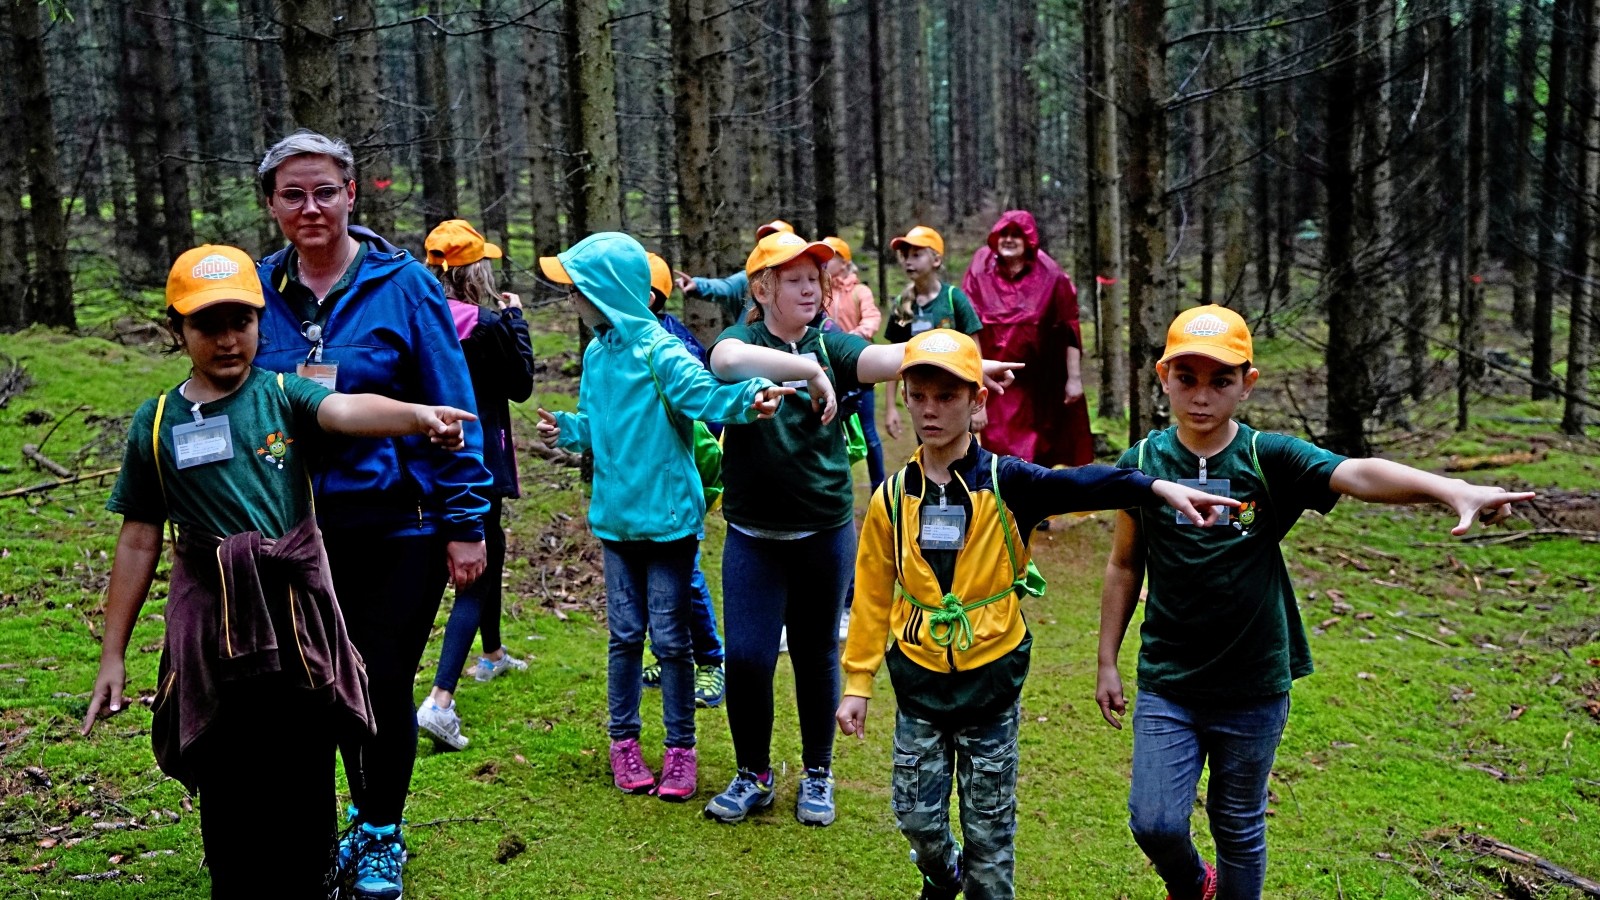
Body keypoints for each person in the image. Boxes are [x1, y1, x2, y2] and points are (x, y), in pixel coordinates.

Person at [1096, 305, 1535, 900]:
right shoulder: (1142, 464)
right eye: (1187, 378)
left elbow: (1359, 475)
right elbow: (1126, 563)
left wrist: (1449, 488)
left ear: (1247, 384)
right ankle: (1193, 883)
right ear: (1163, 376)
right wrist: (1106, 661)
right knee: (1155, 821)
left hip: (1254, 683)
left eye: (1221, 380)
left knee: (1238, 825)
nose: (1202, 396)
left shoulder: (1266, 456)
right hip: (1169, 680)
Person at [81, 245, 478, 898]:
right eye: (208, 324)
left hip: (296, 624)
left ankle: (314, 870)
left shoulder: (283, 396)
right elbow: (138, 541)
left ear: (262, 323)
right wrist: (112, 655)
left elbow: (346, 412)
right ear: (175, 330)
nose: (228, 338)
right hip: (210, 631)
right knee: (224, 760)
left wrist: (417, 416)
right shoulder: (154, 425)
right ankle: (236, 876)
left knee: (303, 752)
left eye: (241, 320)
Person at [836, 328, 1235, 900]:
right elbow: (873, 592)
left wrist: (1155, 488)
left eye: (947, 397)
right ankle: (941, 874)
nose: (930, 410)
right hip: (919, 683)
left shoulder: (1009, 482)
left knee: (990, 836)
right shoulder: (892, 497)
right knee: (917, 820)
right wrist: (858, 683)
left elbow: (1081, 483)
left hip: (991, 680)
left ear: (978, 402)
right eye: (919, 395)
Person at [701, 232, 1020, 828]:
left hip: (824, 530)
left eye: (814, 279)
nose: (809, 288)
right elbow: (722, 363)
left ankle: (818, 773)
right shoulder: (742, 340)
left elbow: (885, 358)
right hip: (753, 534)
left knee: (819, 652)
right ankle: (753, 774)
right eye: (794, 278)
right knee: (746, 657)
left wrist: (962, 362)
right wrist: (805, 371)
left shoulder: (831, 341)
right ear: (763, 288)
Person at [250, 130, 493, 900]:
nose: (311, 207)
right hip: (287, 533)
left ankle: (380, 833)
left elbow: (454, 402)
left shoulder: (405, 286)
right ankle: (316, 838)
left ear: (352, 195)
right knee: (300, 689)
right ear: (273, 206)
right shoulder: (254, 292)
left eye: (325, 190)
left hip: (399, 524)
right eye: (293, 194)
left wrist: (465, 520)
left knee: (380, 681)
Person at [534, 232, 797, 803]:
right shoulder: (597, 353)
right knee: (625, 636)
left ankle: (681, 750)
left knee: (673, 640)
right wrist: (568, 430)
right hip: (615, 522)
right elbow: (597, 428)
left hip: (671, 521)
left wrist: (749, 397)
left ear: (608, 292)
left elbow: (704, 395)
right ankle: (623, 741)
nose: (572, 299)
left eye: (577, 289)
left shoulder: (660, 350)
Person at [415, 220, 536, 752]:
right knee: (474, 574)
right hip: (475, 464)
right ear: (477, 270)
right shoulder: (486, 324)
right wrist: (515, 318)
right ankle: (441, 699)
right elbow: (522, 384)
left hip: (420, 461)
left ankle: (492, 653)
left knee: (493, 548)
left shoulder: (416, 317)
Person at [642, 251, 728, 709]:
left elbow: (704, 413)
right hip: (641, 487)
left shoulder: (673, 342)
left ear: (650, 296)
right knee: (650, 575)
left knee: (687, 575)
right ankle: (666, 652)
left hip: (677, 483)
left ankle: (712, 661)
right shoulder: (621, 339)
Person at [962, 210, 1092, 470]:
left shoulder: (1051, 274)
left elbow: (1068, 326)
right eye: (1004, 234)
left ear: (1030, 240)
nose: (1008, 240)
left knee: (1036, 453)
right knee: (997, 452)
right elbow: (969, 325)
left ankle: (1029, 507)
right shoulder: (980, 267)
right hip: (994, 382)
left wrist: (1074, 379)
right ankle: (1000, 506)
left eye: (1016, 235)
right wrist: (975, 383)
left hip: (1038, 388)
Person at [883, 225, 983, 441]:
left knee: (963, 456)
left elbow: (975, 353)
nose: (909, 261)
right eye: (905, 256)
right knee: (929, 453)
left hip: (955, 396)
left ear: (936, 260)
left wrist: (980, 405)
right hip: (921, 398)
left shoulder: (953, 299)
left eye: (917, 255)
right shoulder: (902, 305)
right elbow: (891, 358)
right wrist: (890, 408)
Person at [821, 235, 886, 489]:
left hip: (859, 369)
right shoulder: (822, 291)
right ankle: (836, 484)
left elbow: (871, 318)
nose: (826, 263)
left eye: (831, 257)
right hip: (831, 371)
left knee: (868, 432)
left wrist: (853, 337)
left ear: (844, 261)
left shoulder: (860, 291)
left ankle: (878, 487)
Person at [673, 219, 795, 321]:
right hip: (748, 347)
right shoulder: (748, 279)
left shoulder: (804, 286)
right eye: (766, 240)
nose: (770, 245)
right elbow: (723, 287)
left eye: (776, 240)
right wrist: (697, 285)